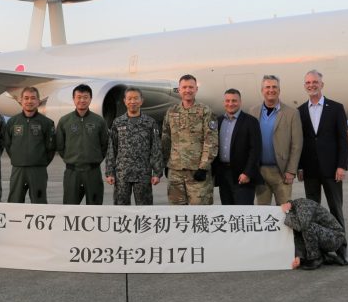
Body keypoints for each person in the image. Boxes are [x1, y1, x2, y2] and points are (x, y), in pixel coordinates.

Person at [297, 69, 348, 265]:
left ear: (322, 84)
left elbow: (343, 140)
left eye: (315, 82)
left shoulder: (336, 108)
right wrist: (300, 167)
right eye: (308, 82)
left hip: (331, 170)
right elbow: (300, 142)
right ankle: (317, 252)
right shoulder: (300, 111)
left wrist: (341, 165)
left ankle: (342, 250)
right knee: (312, 213)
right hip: (310, 170)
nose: (311, 85)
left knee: (336, 210)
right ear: (305, 86)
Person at [161, 74, 218, 205]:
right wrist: (166, 163)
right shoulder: (171, 111)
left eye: (191, 87)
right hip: (175, 172)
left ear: (196, 89)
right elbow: (165, 139)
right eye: (184, 87)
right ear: (179, 90)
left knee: (200, 212)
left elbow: (211, 141)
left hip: (197, 172)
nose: (188, 90)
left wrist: (203, 167)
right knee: (177, 213)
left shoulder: (205, 111)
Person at [104, 87, 164, 205]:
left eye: (136, 98)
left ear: (141, 101)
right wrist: (110, 172)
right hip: (122, 174)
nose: (133, 101)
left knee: (144, 209)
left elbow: (155, 148)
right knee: (121, 208)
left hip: (143, 174)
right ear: (125, 101)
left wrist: (157, 173)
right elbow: (112, 149)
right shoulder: (118, 122)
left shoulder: (150, 122)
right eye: (129, 98)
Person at [56, 84, 109, 205]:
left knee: (94, 207)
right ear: (74, 99)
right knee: (70, 207)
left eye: (85, 97)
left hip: (93, 172)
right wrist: (72, 159)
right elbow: (60, 145)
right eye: (79, 97)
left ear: (90, 99)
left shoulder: (99, 121)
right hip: (72, 172)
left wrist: (95, 159)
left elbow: (104, 145)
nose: (82, 100)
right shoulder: (65, 121)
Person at [255, 75, 303, 206]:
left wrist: (291, 170)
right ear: (262, 90)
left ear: (279, 90)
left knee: (284, 212)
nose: (271, 90)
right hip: (260, 172)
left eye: (274, 87)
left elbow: (297, 145)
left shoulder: (292, 113)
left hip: (282, 172)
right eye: (267, 87)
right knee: (262, 212)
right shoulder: (253, 112)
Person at [3, 87, 55, 203]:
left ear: (38, 101)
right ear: (21, 100)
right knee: (15, 202)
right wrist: (18, 159)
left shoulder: (47, 123)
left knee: (39, 203)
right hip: (18, 169)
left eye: (33, 98)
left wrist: (40, 161)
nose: (29, 101)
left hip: (38, 170)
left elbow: (50, 148)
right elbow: (8, 144)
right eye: (26, 98)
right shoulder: (12, 122)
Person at [211, 89, 260, 205]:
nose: (230, 103)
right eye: (227, 101)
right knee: (228, 211)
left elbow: (255, 150)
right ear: (224, 102)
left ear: (240, 102)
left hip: (242, 175)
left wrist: (248, 173)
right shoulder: (218, 121)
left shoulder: (251, 121)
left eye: (234, 100)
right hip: (223, 175)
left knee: (243, 212)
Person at [281, 198, 347, 270]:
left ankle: (316, 258)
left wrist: (287, 213)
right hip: (327, 235)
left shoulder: (303, 204)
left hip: (336, 237)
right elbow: (298, 235)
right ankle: (324, 257)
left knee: (308, 227)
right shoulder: (295, 211)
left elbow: (303, 226)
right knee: (301, 231)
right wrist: (299, 257)